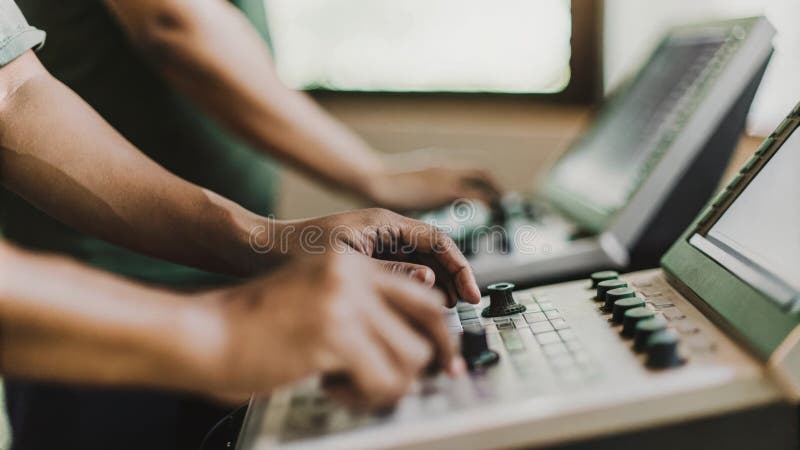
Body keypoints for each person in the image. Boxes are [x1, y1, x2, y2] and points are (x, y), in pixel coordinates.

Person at [0, 3, 484, 448]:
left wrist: (264, 240)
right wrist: (221, 331)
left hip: (197, 298)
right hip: (95, 309)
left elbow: (14, 91)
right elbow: (173, 20)